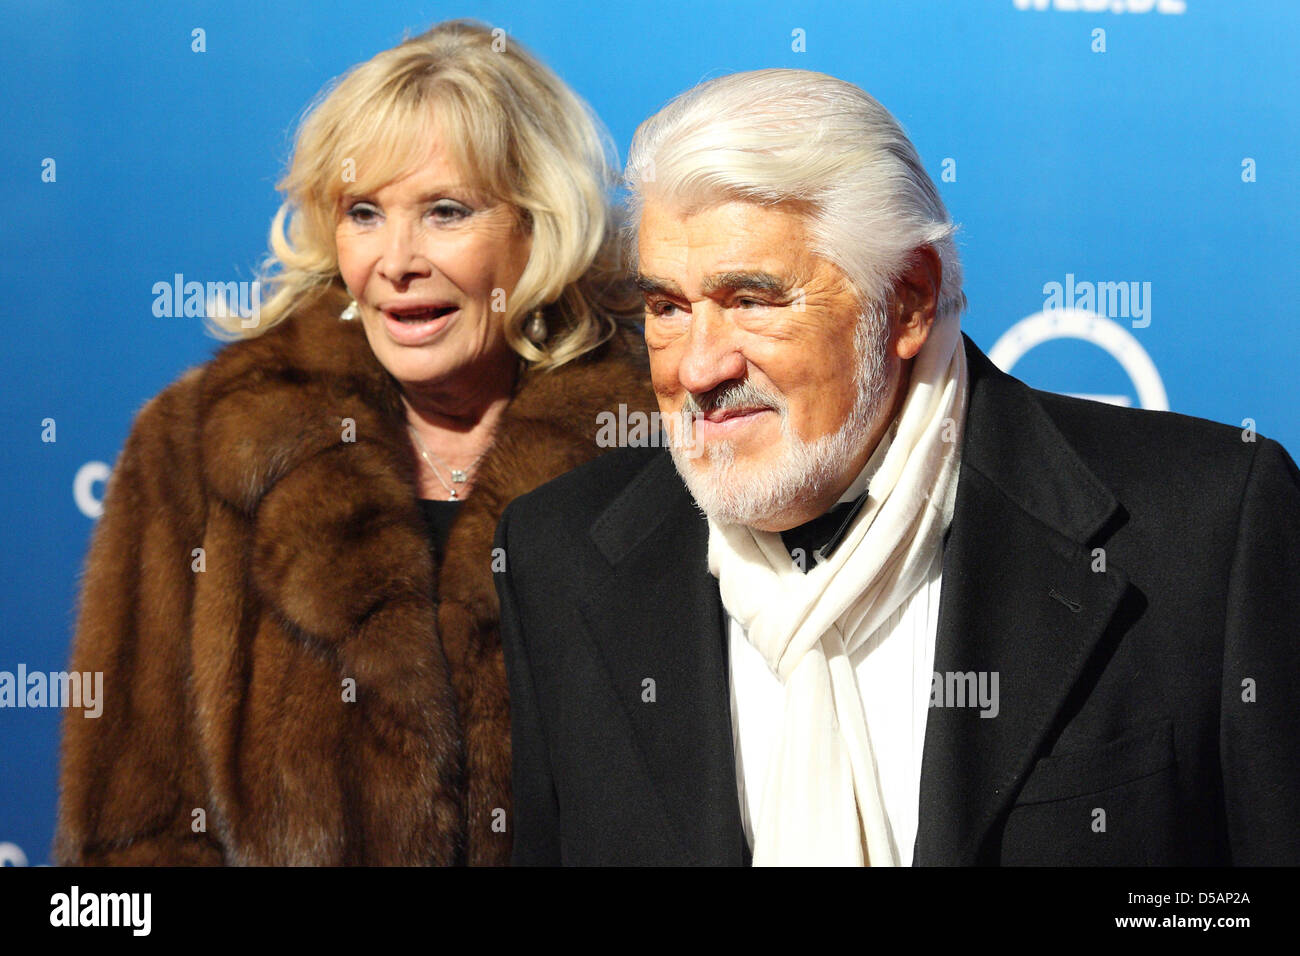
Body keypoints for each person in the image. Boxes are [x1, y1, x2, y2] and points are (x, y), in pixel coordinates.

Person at [496, 68, 1300, 866]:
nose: (699, 367)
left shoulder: (1203, 529)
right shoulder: (559, 560)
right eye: (668, 307)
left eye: (752, 299)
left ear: (909, 300)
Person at [54, 19, 653, 866]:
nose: (397, 260)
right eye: (363, 213)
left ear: (539, 226)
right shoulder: (197, 448)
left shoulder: (659, 452)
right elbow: (126, 841)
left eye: (446, 211)